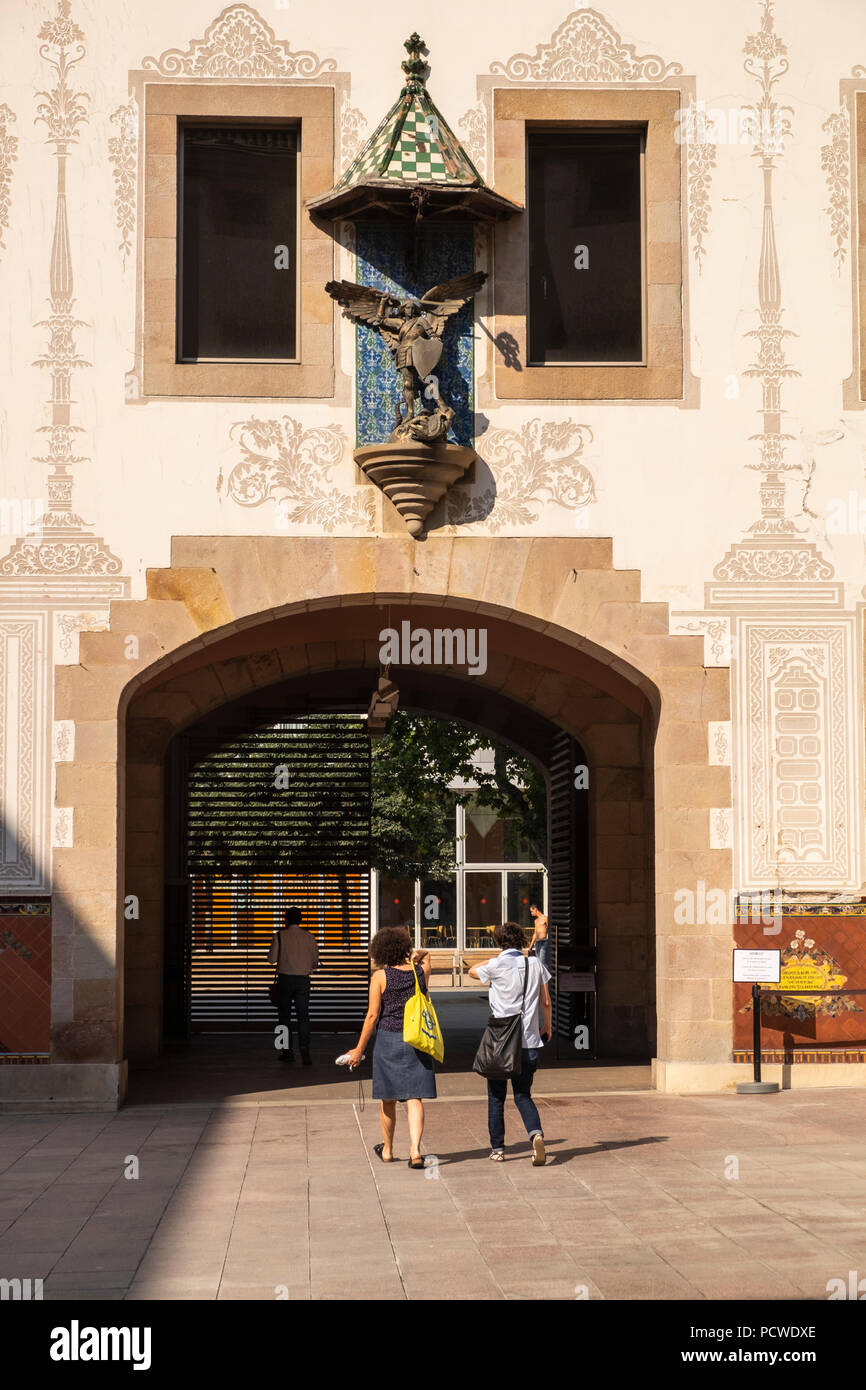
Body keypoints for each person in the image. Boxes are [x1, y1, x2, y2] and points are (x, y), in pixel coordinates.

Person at [345, 927, 435, 1169]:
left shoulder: (380, 977)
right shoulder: (419, 972)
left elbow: (373, 1015)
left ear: (380, 951)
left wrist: (358, 1050)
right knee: (414, 1097)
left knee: (388, 1098)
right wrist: (416, 955)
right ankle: (415, 1151)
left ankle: (387, 1149)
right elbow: (427, 957)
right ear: (404, 947)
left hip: (389, 1040)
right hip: (416, 1039)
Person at [469, 921, 552, 1165]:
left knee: (496, 1098)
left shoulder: (496, 964)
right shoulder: (535, 963)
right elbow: (545, 1000)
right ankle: (535, 1133)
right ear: (522, 941)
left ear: (498, 942)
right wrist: (547, 1025)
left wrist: (493, 960)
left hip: (500, 1044)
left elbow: (472, 971)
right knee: (523, 1094)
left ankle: (498, 1149)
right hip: (529, 1043)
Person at [268, 907, 318, 1066]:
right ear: (301, 920)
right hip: (303, 980)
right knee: (303, 1017)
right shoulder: (309, 937)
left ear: (286, 919)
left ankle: (286, 1052)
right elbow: (315, 962)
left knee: (284, 1017)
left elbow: (271, 959)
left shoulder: (279, 936)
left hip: (285, 980)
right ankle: (305, 1051)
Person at [528, 903, 550, 971]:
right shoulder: (536, 921)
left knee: (542, 962)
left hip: (544, 942)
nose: (531, 913)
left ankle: (548, 980)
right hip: (537, 943)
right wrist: (531, 946)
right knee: (538, 963)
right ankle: (541, 980)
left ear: (536, 909)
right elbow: (535, 933)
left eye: (532, 911)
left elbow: (551, 929)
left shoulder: (545, 918)